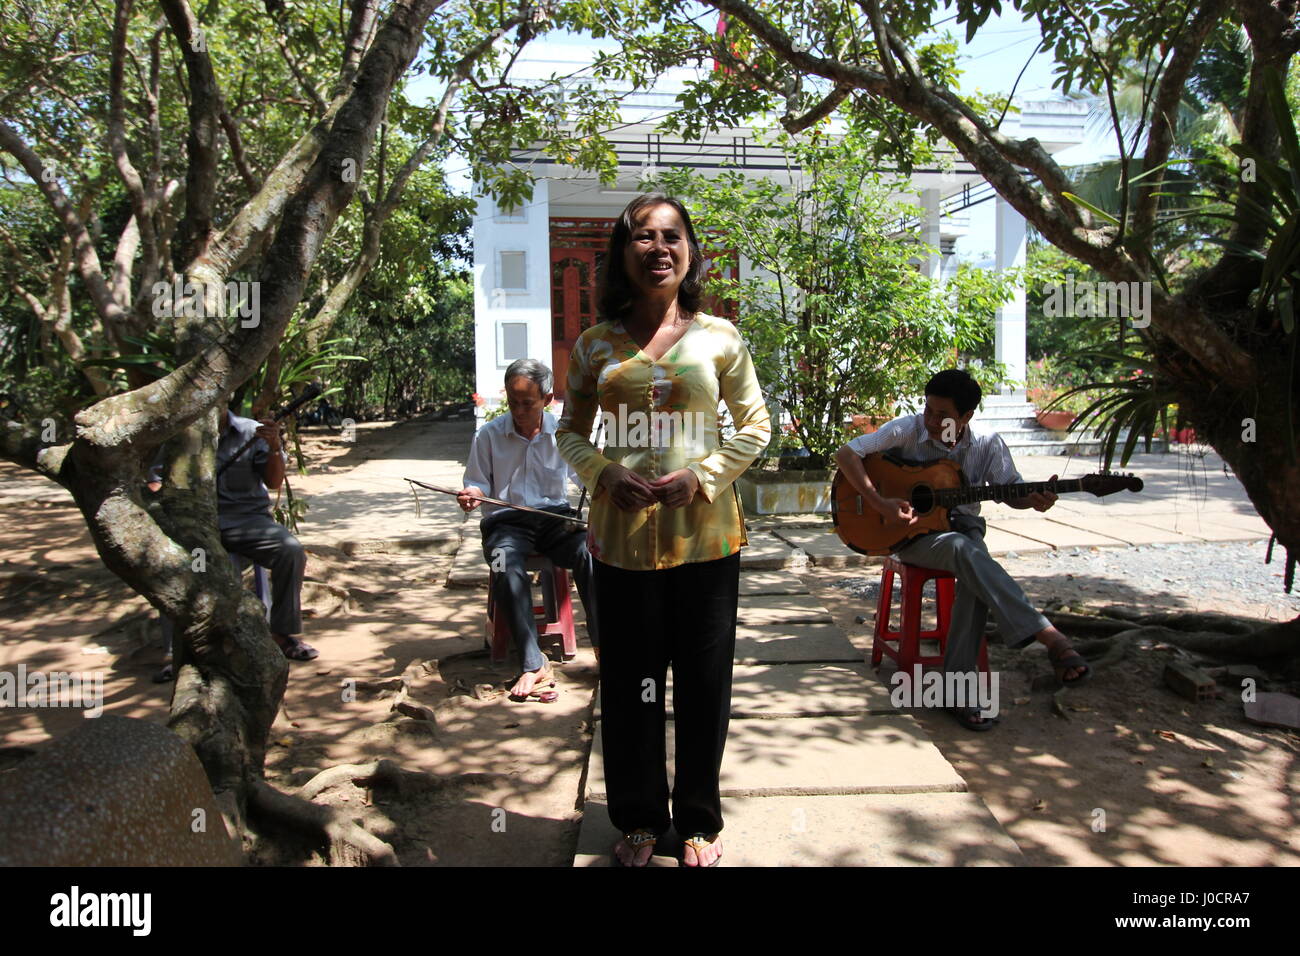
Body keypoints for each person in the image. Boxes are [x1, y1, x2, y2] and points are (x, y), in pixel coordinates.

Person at [556, 193, 771, 867]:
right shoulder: (594, 346)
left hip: (706, 541)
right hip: (620, 547)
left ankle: (699, 822)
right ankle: (641, 820)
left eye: (672, 236)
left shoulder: (722, 340)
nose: (659, 248)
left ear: (689, 250)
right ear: (624, 255)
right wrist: (600, 471)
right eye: (643, 237)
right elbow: (568, 432)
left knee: (705, 683)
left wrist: (703, 476)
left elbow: (757, 428)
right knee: (629, 683)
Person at [833, 368, 1091, 731]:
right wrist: (878, 502)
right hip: (909, 537)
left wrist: (1032, 500)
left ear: (967, 417)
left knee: (970, 561)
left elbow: (1010, 489)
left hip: (963, 534)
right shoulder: (907, 429)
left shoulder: (986, 442)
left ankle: (955, 690)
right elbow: (847, 453)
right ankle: (1047, 635)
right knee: (965, 550)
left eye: (944, 415)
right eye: (929, 410)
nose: (933, 420)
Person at [458, 358, 597, 703]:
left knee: (592, 554)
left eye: (527, 402)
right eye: (512, 401)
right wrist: (473, 495)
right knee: (505, 564)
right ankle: (533, 663)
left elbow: (587, 478)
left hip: (555, 521)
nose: (518, 410)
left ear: (547, 399)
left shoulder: (564, 435)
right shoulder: (488, 435)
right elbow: (476, 483)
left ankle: (605, 646)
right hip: (506, 524)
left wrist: (608, 476)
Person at [151, 402, 314, 681]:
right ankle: (175, 651)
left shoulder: (252, 431)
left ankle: (281, 633)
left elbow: (274, 481)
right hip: (198, 526)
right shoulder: (180, 435)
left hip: (248, 521)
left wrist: (274, 446)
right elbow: (155, 478)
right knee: (176, 565)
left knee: (290, 551)